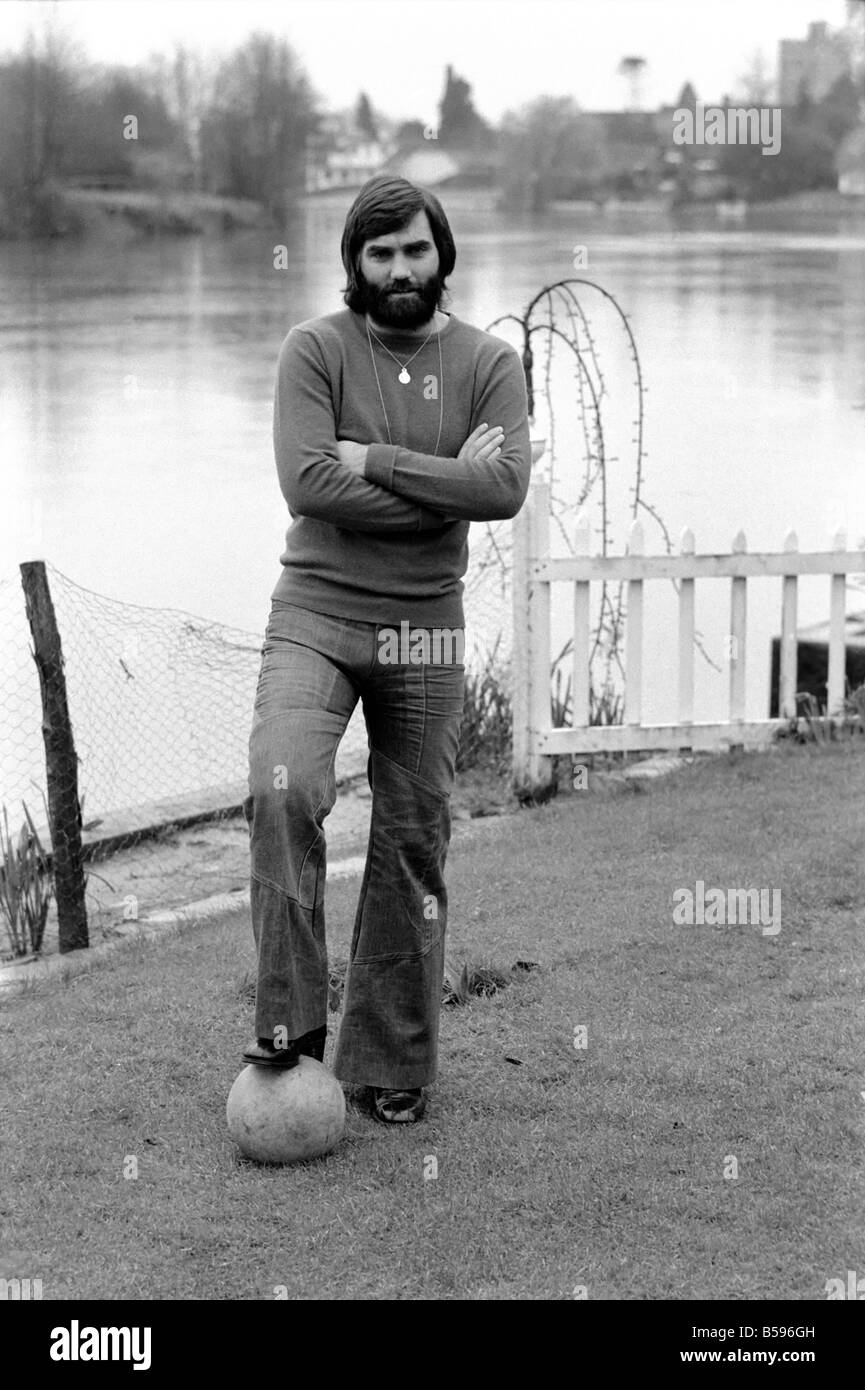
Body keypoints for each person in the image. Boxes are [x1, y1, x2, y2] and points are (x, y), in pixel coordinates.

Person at [242, 174, 531, 1123]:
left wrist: (377, 459)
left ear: (443, 256)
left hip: (424, 626)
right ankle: (289, 1029)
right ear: (352, 265)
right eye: (379, 253)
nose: (399, 269)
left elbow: (503, 493)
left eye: (414, 249)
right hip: (316, 613)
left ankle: (391, 1059)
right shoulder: (312, 351)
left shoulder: (490, 364)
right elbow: (308, 483)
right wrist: (441, 485)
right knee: (284, 787)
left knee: (413, 836)